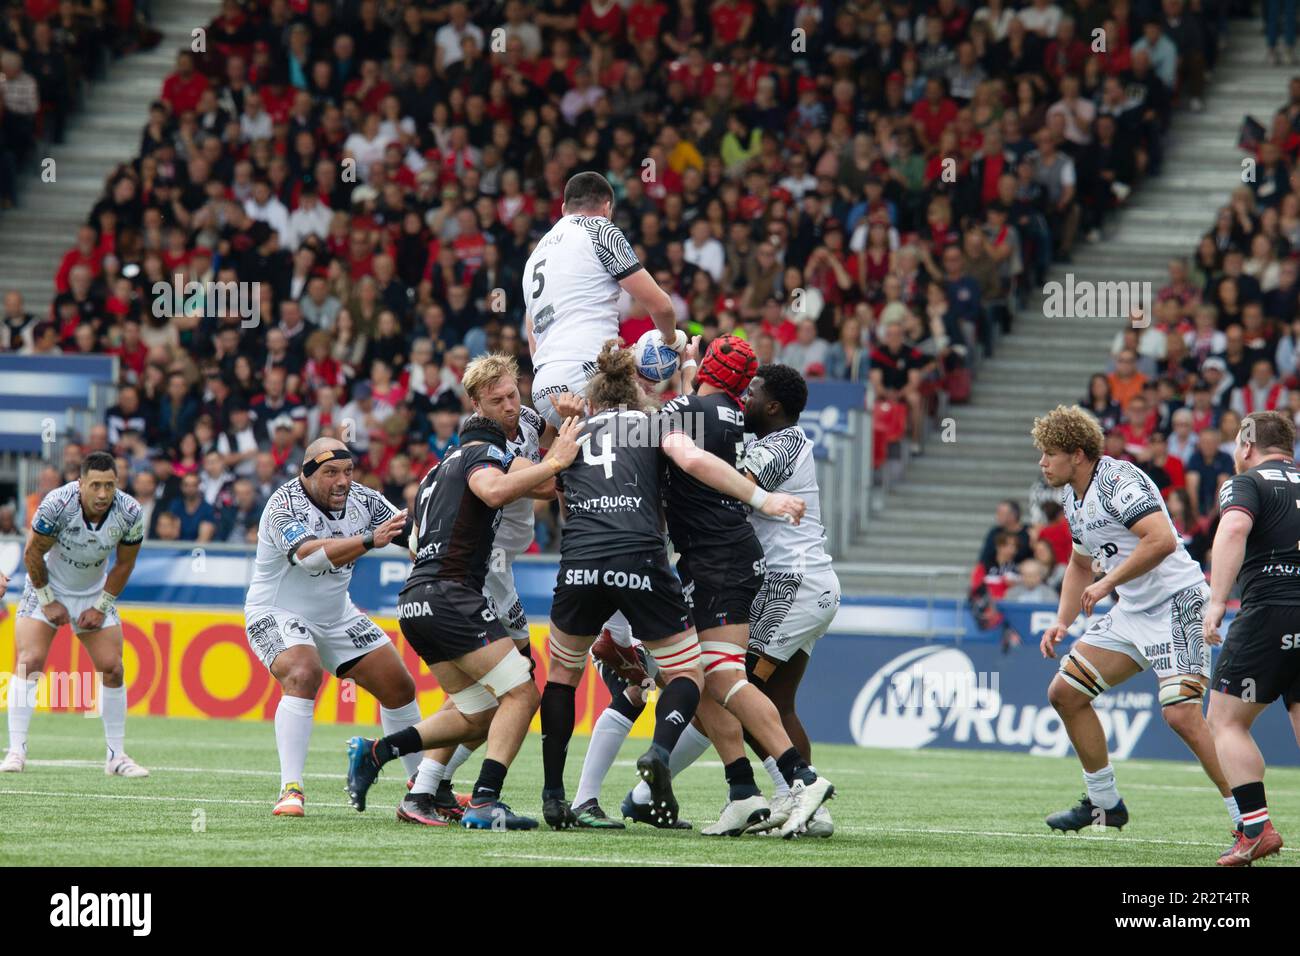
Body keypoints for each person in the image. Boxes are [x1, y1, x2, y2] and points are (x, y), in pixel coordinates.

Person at [539, 342, 810, 834]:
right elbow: (688, 451)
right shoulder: (662, 423)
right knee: (696, 676)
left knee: (588, 680)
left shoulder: (576, 433)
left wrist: (560, 425)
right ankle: (766, 778)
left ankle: (563, 797)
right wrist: (761, 500)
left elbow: (548, 488)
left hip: (585, 560)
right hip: (654, 561)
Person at [623, 337, 836, 837]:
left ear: (774, 405)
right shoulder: (755, 430)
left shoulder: (779, 444)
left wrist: (756, 497)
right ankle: (767, 795)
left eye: (754, 392)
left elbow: (715, 471)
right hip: (790, 580)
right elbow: (709, 415)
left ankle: (795, 789)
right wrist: (693, 371)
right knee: (761, 696)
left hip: (790, 581)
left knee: (731, 684)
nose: (746, 400)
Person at [344, 414, 582, 830]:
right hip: (452, 594)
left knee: (477, 709)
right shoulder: (484, 453)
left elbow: (416, 544)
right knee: (523, 694)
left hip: (416, 599)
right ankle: (486, 799)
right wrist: (555, 461)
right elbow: (492, 489)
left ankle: (377, 753)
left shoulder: (435, 473)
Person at [1034, 405, 1239, 834]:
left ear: (1077, 453)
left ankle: (1249, 817)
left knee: (1182, 716)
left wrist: (1107, 585)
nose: (1042, 462)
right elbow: (1078, 563)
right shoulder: (1073, 497)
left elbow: (1162, 540)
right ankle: (1104, 803)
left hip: (1178, 602)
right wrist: (1062, 620)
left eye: (1049, 453)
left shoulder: (1118, 481)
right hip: (1133, 610)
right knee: (1066, 693)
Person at [242, 437, 427, 817]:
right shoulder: (282, 505)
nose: (342, 481)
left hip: (336, 614)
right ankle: (290, 789)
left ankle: (422, 788)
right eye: (330, 473)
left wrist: (422, 545)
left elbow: (409, 531)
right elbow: (308, 557)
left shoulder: (364, 499)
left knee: (399, 686)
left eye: (347, 471)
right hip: (275, 611)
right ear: (306, 474)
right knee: (303, 672)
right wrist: (368, 540)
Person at [2, 452, 147, 777]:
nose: (102, 494)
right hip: (46, 587)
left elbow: (125, 564)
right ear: (80, 484)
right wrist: (47, 599)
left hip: (93, 593)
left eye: (109, 486)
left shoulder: (130, 511)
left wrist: (101, 605)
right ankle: (16, 751)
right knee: (30, 660)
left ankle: (116, 756)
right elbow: (33, 552)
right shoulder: (57, 504)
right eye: (95, 485)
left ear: (117, 485)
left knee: (113, 668)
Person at [1203, 410, 1300, 865]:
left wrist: (1217, 600)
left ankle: (1256, 829)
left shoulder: (1246, 483)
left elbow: (1235, 528)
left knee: (1226, 720)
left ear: (1246, 445)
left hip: (1270, 612)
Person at [525, 171, 686, 428]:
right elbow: (661, 305)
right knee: (655, 436)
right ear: (607, 208)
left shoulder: (536, 254)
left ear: (565, 208)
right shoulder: (599, 229)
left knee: (580, 463)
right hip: (589, 376)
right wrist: (671, 340)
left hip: (544, 386)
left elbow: (531, 325)